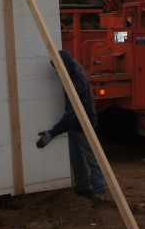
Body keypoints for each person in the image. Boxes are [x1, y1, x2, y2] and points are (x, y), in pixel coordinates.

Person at [36, 50, 107, 202]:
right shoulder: (72, 64)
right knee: (76, 154)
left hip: (84, 122)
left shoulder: (76, 84)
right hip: (75, 121)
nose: (56, 73)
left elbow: (70, 117)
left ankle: (100, 190)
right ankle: (83, 186)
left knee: (91, 156)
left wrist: (52, 133)